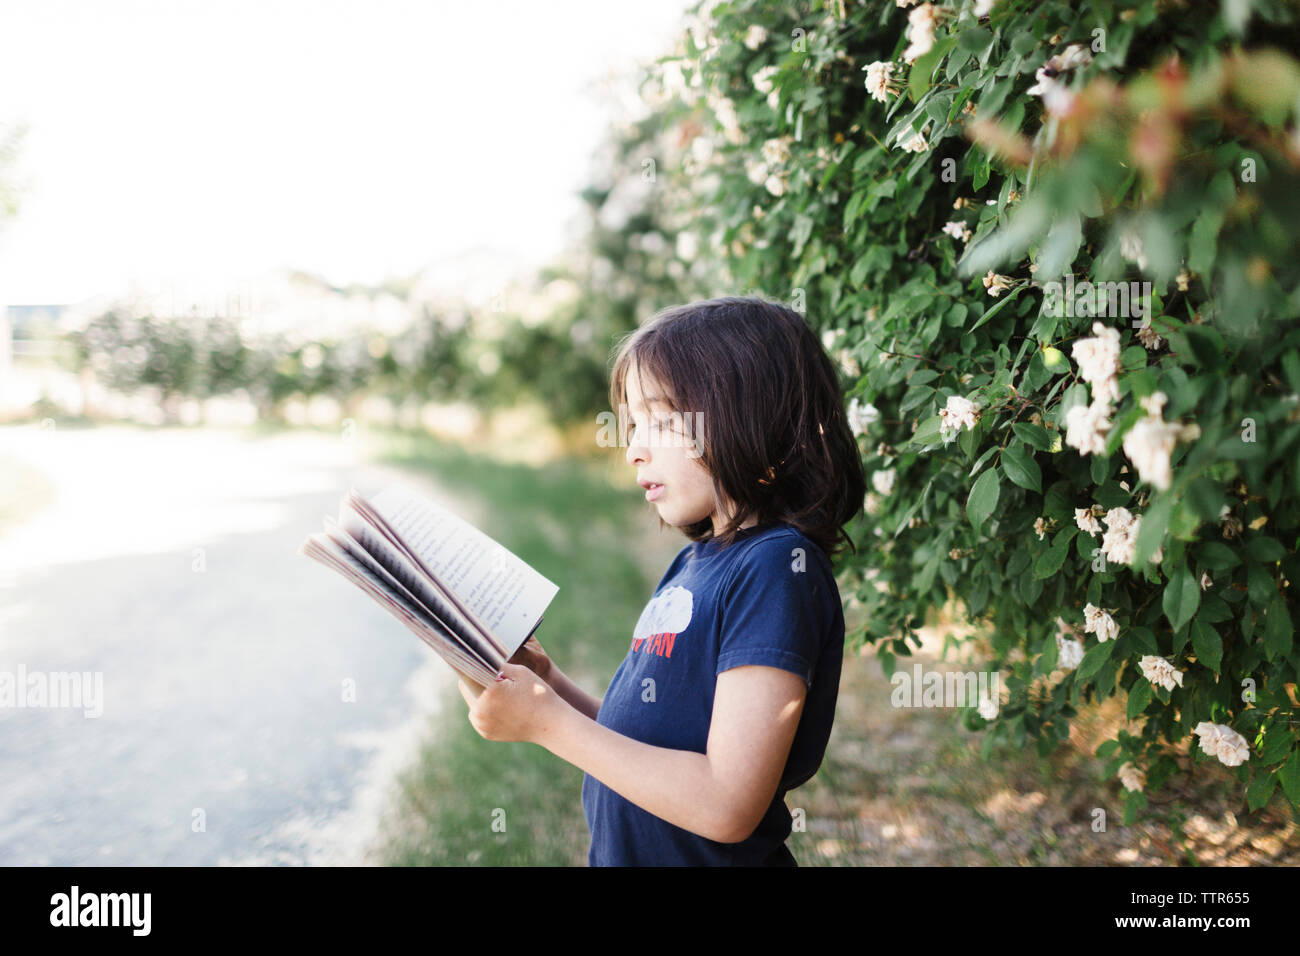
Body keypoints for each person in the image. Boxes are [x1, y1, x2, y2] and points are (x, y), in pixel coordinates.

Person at [456, 295, 866, 865]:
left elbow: (727, 803)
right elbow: (646, 739)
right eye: (632, 425)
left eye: (662, 421)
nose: (633, 450)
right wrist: (548, 685)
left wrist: (548, 725)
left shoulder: (777, 568)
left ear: (751, 414)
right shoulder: (697, 563)